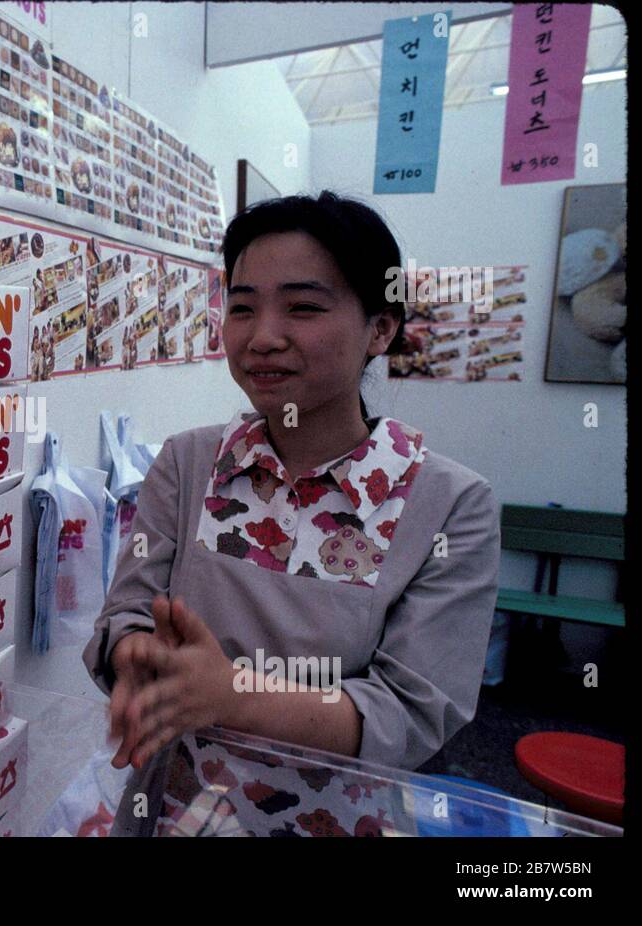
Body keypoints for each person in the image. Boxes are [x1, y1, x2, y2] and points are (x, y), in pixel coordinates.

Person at [82, 190, 501, 835]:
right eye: (242, 307)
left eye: (303, 307)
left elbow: (411, 710)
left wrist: (230, 694)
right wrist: (137, 658)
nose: (262, 337)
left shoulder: (450, 506)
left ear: (381, 329)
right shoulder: (189, 462)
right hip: (172, 807)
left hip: (331, 818)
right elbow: (127, 611)